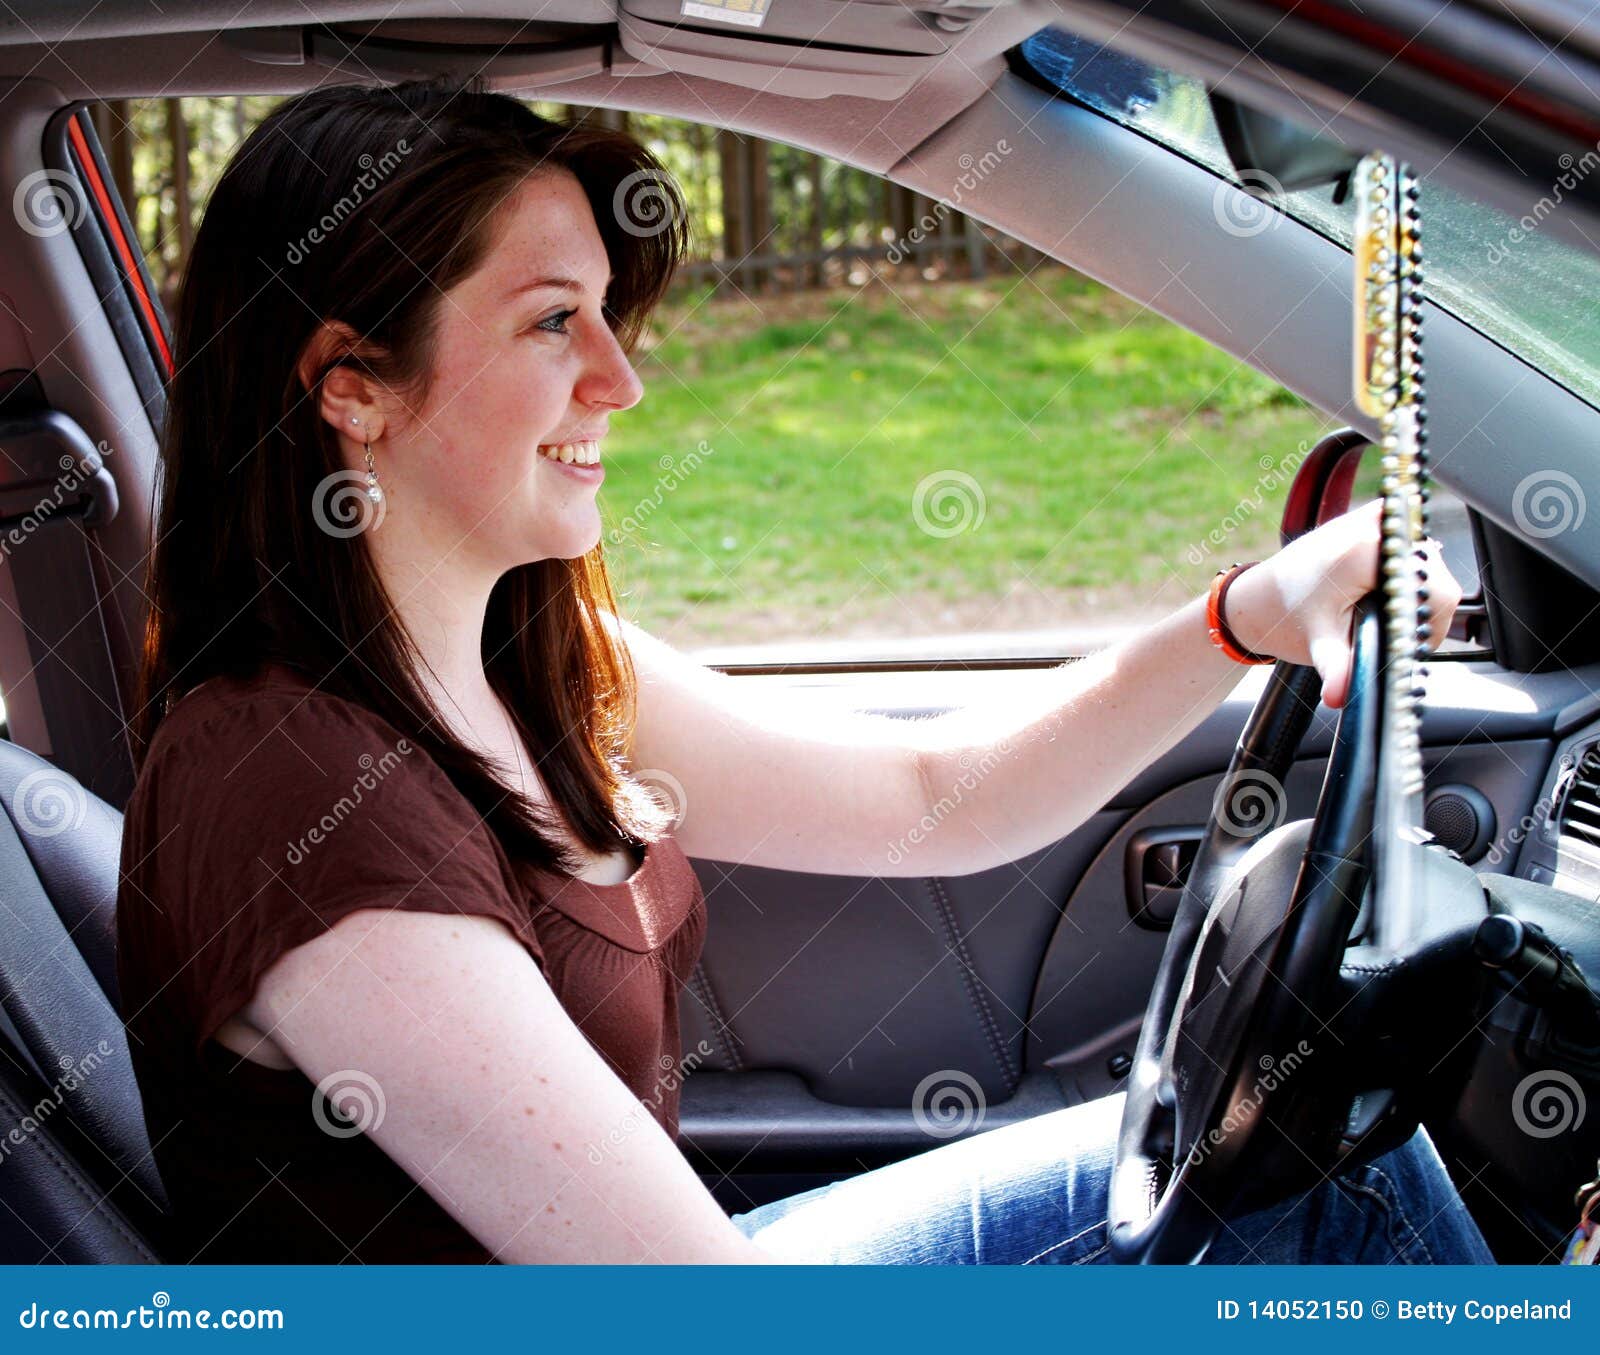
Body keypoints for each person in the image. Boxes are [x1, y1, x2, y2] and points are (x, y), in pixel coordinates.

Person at [115, 73, 1482, 1265]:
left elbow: (934, 794)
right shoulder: (289, 783)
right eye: (551, 322)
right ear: (350, 382)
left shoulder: (532, 661)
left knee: (1312, 1157)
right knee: (1337, 1188)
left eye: (606, 314)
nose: (621, 381)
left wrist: (1239, 617)